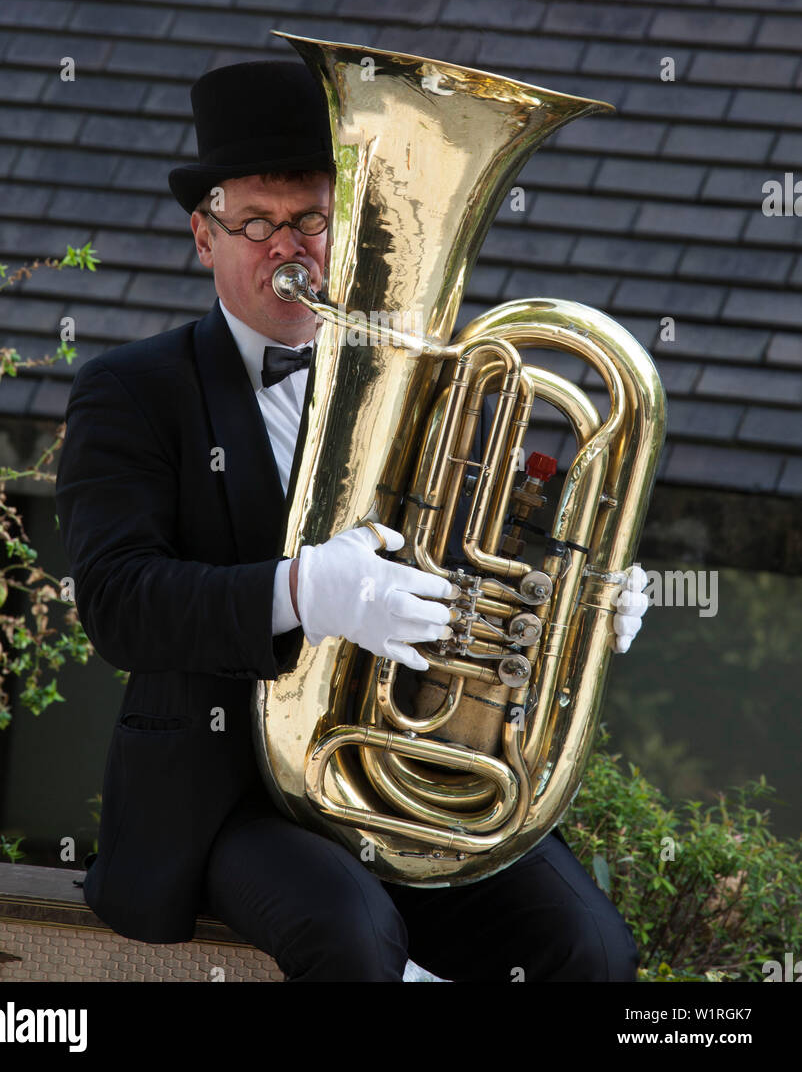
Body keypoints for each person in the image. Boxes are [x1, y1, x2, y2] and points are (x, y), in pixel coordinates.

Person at [55, 57, 648, 982]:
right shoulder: (131, 393)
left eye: (310, 221)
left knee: (592, 948)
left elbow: (477, 572)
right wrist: (302, 591)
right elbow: (120, 604)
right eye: (254, 223)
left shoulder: (439, 386)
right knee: (353, 936)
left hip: (397, 774)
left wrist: (577, 597)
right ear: (202, 238)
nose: (285, 247)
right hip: (225, 801)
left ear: (351, 234)